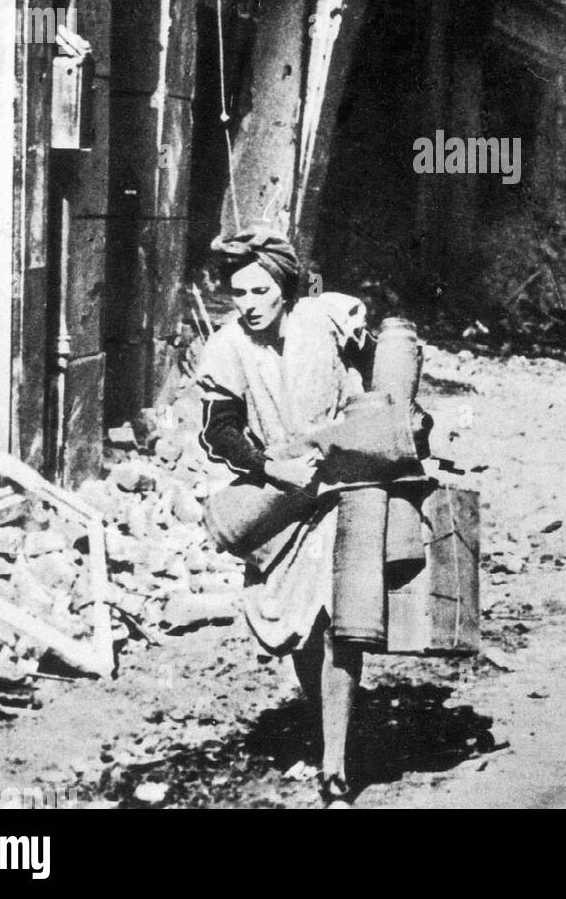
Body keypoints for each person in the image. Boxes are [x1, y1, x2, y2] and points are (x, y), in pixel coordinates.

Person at [194, 225, 374, 808]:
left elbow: (381, 378)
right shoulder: (228, 346)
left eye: (258, 292)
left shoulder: (325, 319)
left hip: (347, 482)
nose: (247, 305)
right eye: (238, 294)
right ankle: (322, 723)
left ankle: (335, 763)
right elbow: (218, 430)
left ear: (284, 290)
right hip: (283, 495)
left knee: (341, 619)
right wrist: (270, 468)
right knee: (297, 625)